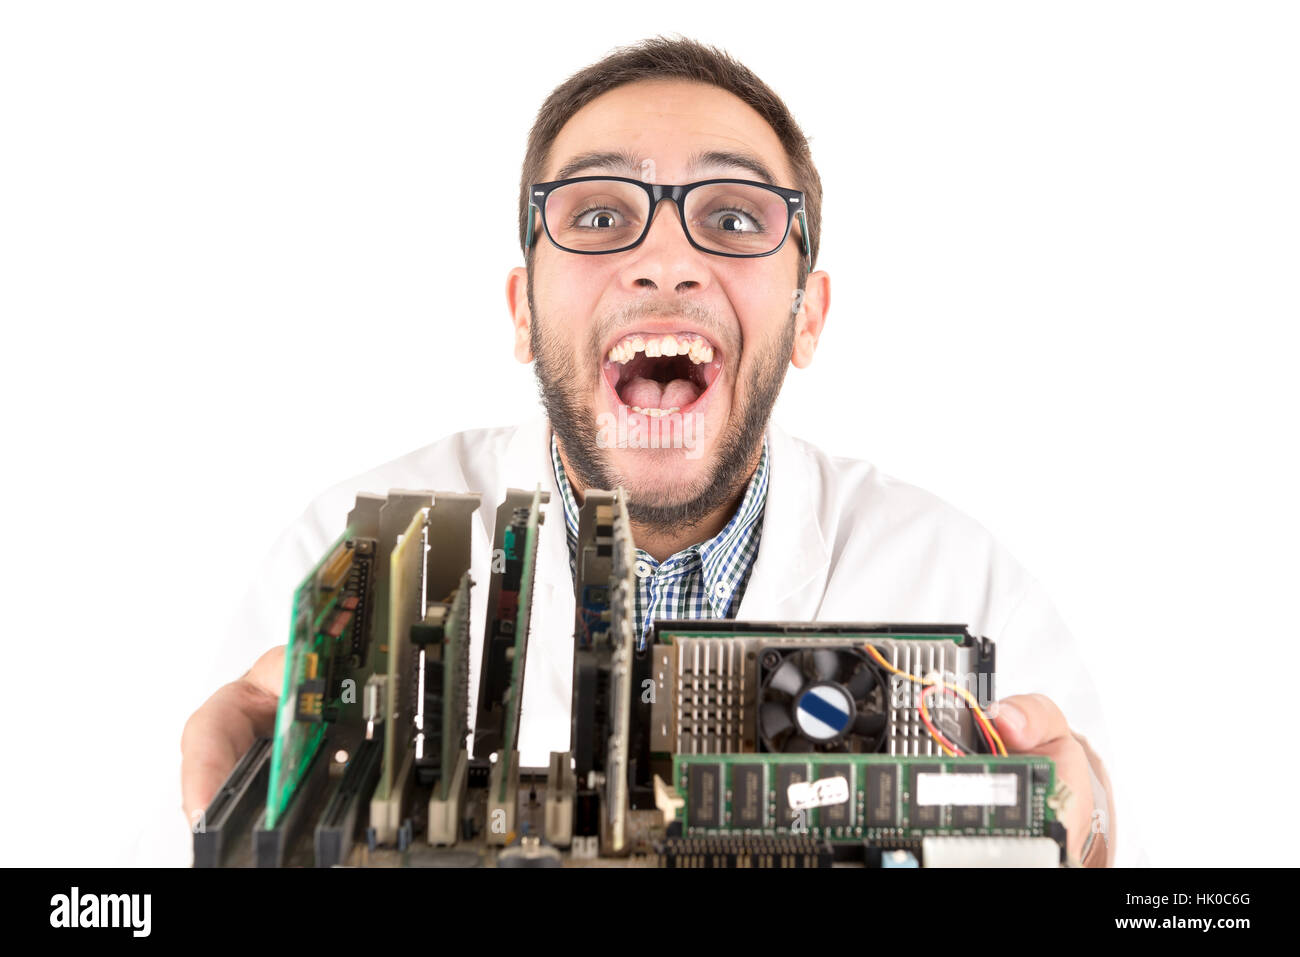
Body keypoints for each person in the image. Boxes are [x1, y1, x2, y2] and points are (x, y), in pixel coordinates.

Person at [181, 35, 1115, 867]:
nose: (665, 259)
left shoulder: (961, 577)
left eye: (735, 218)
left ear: (808, 318)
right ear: (522, 312)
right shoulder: (353, 558)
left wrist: (1095, 838)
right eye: (596, 216)